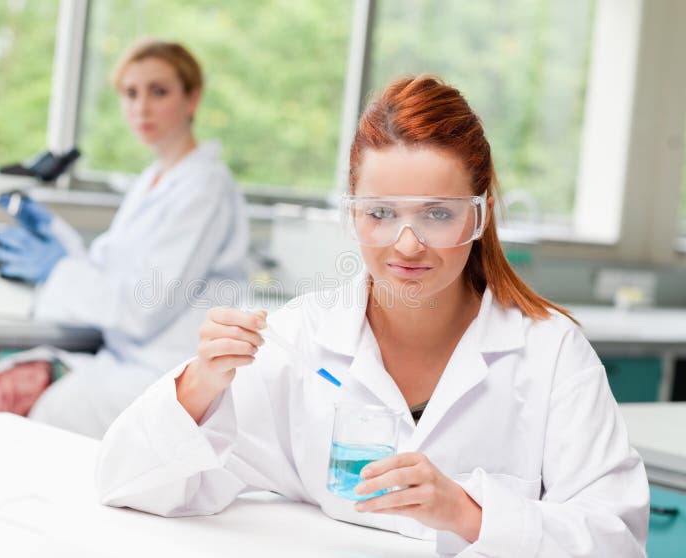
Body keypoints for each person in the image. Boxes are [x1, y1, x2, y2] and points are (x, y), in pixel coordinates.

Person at [94, 76, 648, 555]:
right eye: (380, 213)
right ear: (351, 212)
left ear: (479, 216)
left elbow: (618, 539)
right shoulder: (302, 338)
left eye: (437, 213)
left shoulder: (550, 354)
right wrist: (200, 383)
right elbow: (127, 481)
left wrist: (470, 514)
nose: (406, 244)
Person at [0, 38, 248, 438]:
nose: (141, 107)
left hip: (168, 371)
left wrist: (57, 270)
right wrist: (54, 232)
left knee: (12, 399)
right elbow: (108, 269)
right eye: (130, 93)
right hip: (126, 361)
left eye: (158, 91)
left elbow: (142, 307)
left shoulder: (204, 186)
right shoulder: (154, 180)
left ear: (192, 98)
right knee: (1, 378)